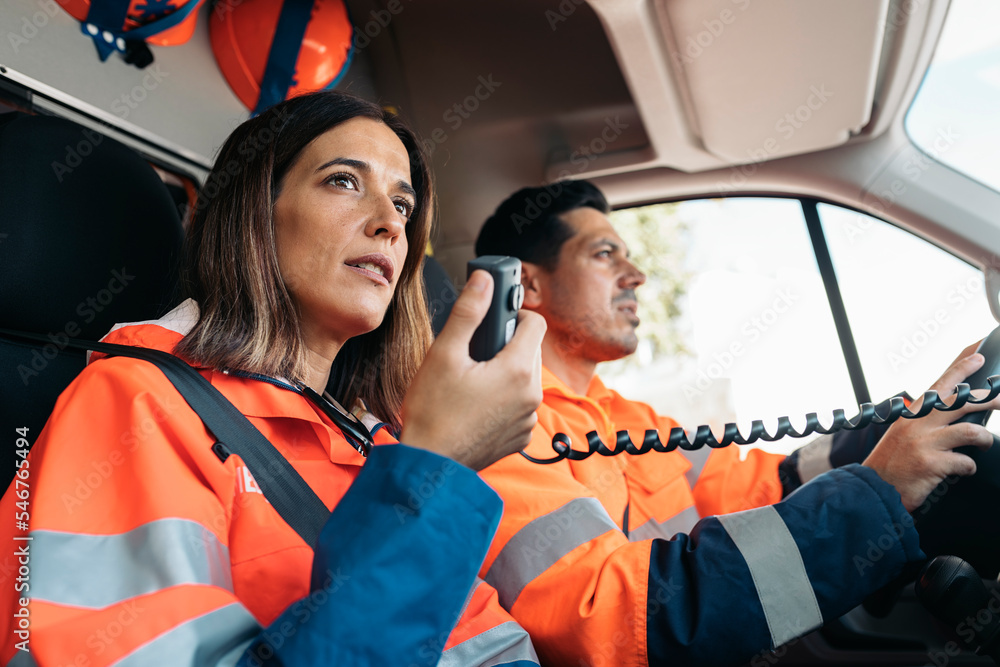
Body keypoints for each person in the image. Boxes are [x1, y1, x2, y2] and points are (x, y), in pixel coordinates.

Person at [0, 92, 547, 666]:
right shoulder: (136, 404)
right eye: (343, 181)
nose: (389, 223)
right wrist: (440, 474)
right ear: (255, 213)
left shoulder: (376, 444)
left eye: (403, 205)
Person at [473, 179, 1000, 666]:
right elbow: (614, 619)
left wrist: (898, 428)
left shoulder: (630, 418)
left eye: (629, 257)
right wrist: (873, 496)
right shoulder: (494, 430)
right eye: (605, 254)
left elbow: (768, 487)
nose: (636, 275)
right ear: (527, 286)